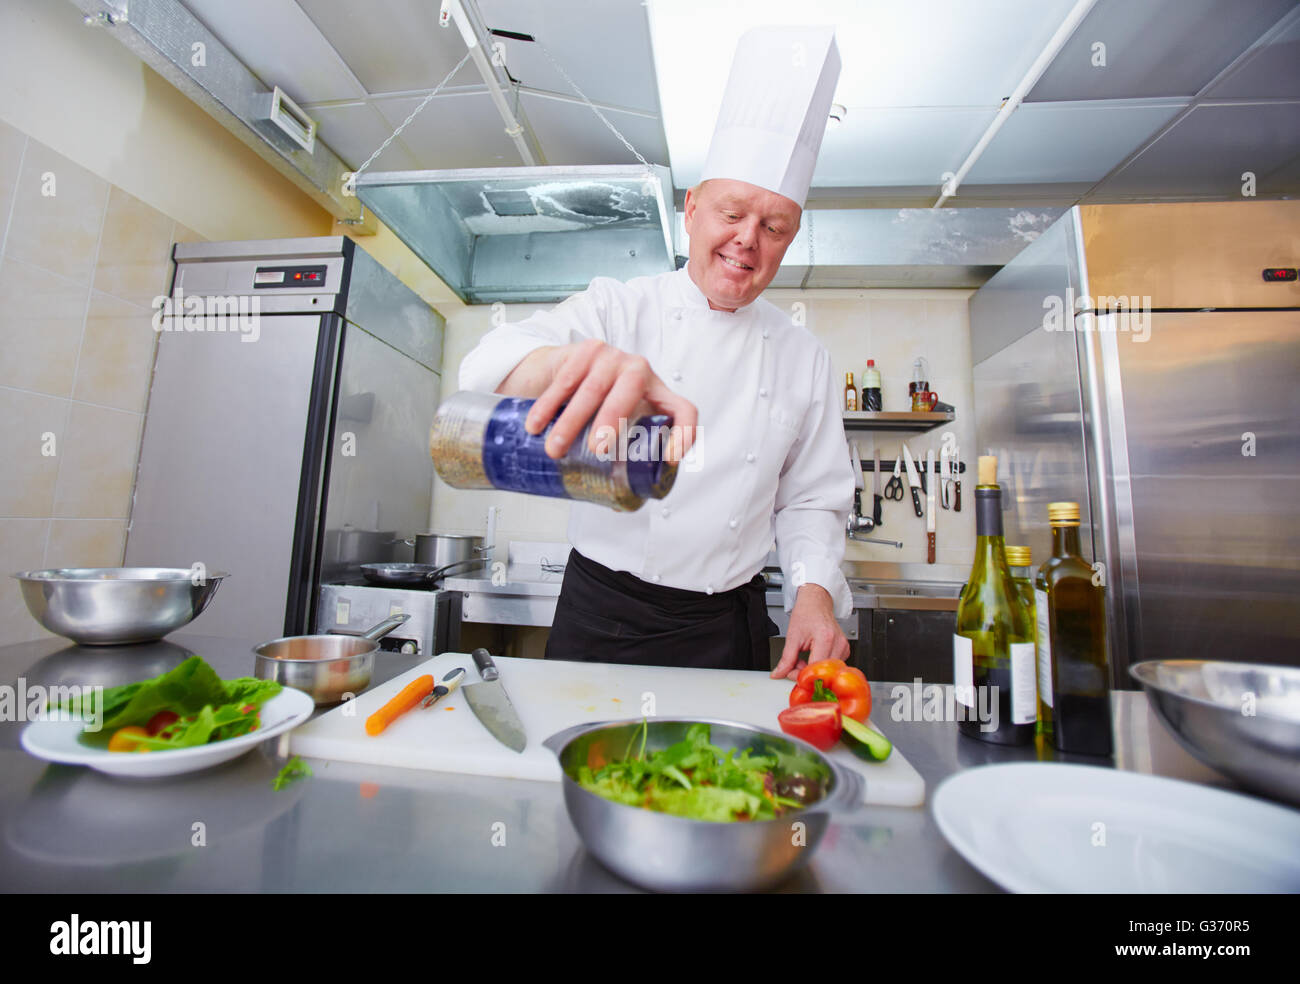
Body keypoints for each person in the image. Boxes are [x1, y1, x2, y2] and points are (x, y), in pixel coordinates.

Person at [458, 26, 852, 679]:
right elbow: (485, 368)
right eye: (732, 213)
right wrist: (570, 364)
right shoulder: (618, 307)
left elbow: (811, 499)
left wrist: (814, 589)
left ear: (790, 239)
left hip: (726, 624)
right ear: (692, 209)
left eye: (773, 226)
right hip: (602, 613)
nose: (747, 241)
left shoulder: (803, 355)